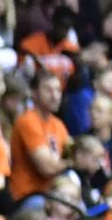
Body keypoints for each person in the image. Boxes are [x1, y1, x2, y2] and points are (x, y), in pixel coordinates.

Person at [8, 68, 71, 202]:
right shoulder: (28, 120)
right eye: (48, 90)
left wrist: (71, 161)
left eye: (57, 90)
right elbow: (47, 168)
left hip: (54, 194)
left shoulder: (58, 124)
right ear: (34, 93)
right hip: (29, 195)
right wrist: (73, 162)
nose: (54, 95)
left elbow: (70, 154)